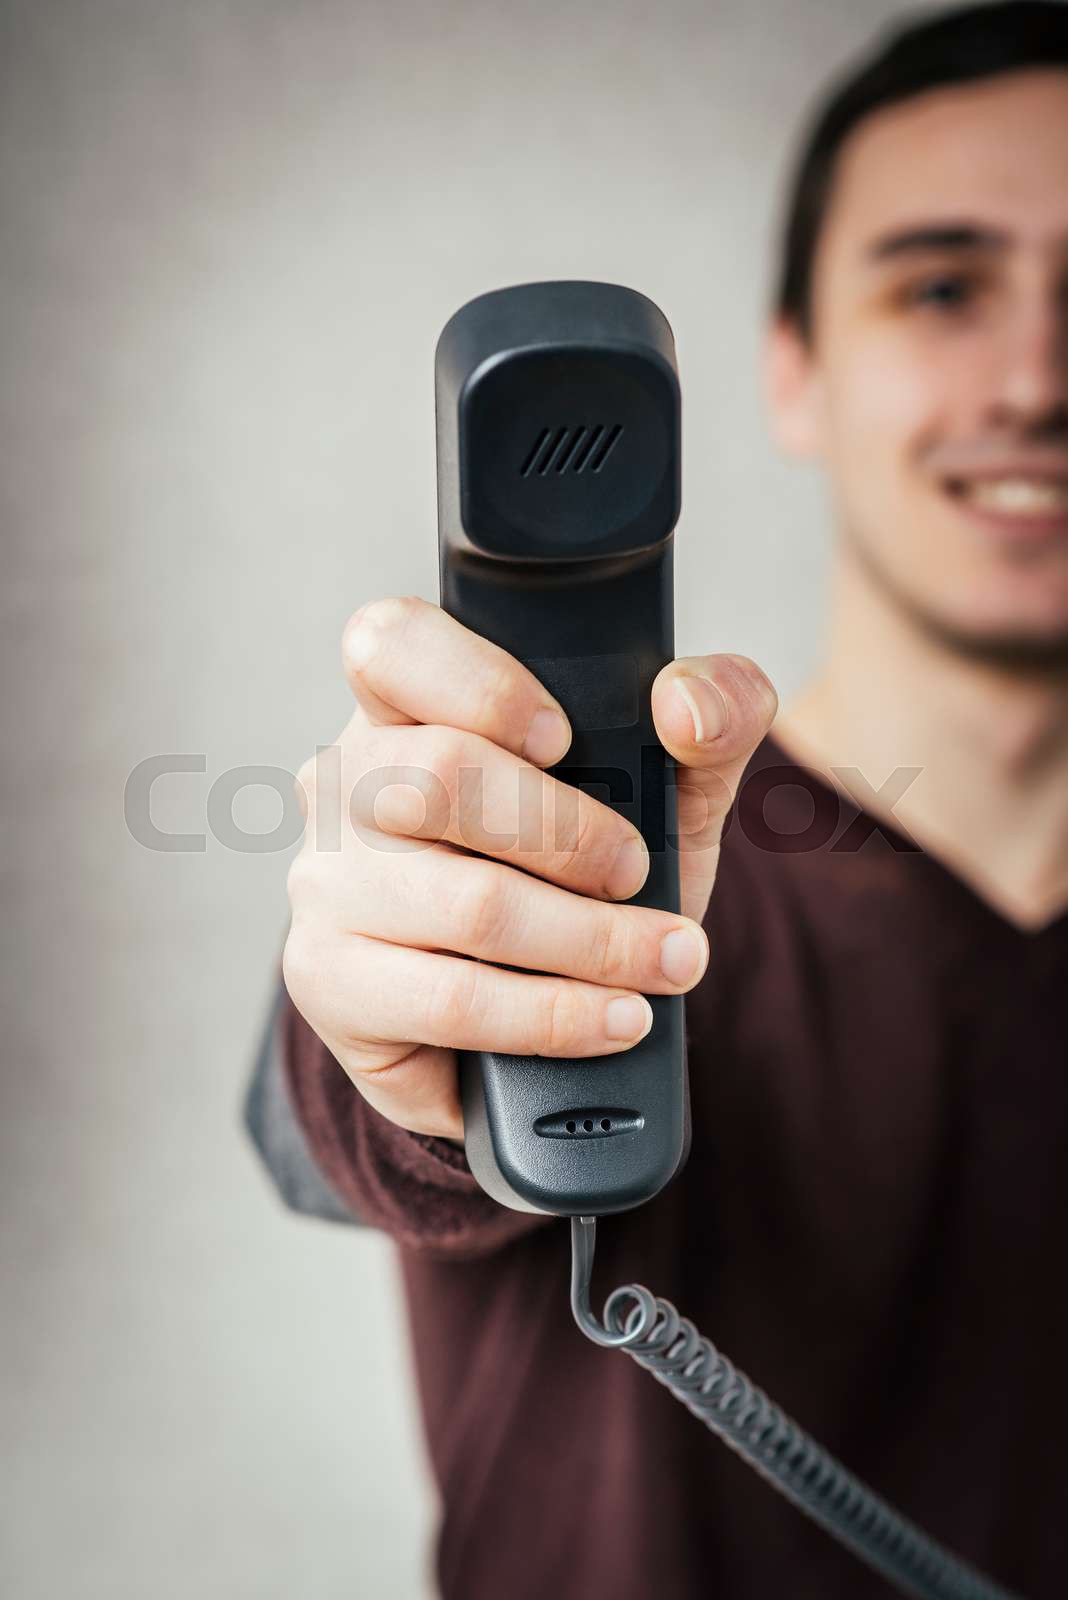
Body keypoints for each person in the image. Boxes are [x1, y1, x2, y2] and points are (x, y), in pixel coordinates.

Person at [245, 4, 1068, 1596]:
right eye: (943, 288)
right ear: (793, 372)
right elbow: (315, 1106)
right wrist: (405, 1069)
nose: (1036, 380)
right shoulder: (563, 851)